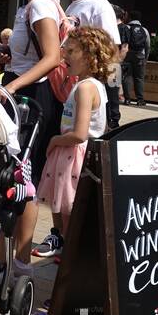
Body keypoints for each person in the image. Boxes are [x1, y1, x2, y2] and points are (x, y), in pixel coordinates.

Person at [2, 0, 64, 272]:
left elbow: (51, 57)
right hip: (29, 91)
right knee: (17, 176)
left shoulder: (40, 5)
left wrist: (12, 84)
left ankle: (21, 263)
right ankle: (9, 259)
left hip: (32, 98)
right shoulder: (46, 3)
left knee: (24, 179)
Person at [38, 26, 116, 249]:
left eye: (71, 51)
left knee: (68, 204)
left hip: (73, 153)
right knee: (62, 201)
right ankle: (63, 241)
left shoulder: (85, 88)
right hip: (74, 152)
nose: (65, 55)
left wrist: (54, 141)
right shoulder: (93, 86)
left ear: (90, 56)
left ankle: (67, 246)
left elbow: (80, 134)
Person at [58, 0, 122, 130]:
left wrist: (113, 107)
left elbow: (113, 54)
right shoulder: (72, 7)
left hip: (92, 94)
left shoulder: (99, 5)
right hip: (73, 91)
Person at [118, 6, 150, 106]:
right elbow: (148, 45)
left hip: (127, 55)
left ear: (130, 18)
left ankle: (127, 99)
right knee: (139, 78)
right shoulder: (144, 30)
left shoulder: (126, 28)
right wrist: (146, 58)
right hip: (140, 56)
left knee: (127, 77)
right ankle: (140, 100)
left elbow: (122, 42)